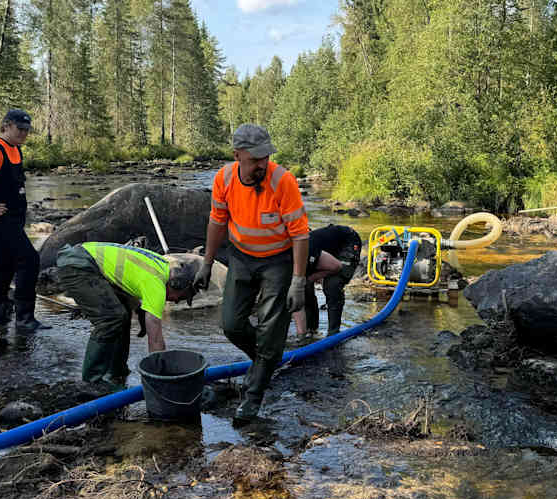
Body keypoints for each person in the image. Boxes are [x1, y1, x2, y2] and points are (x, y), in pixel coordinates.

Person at [194, 123, 310, 422]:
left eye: (265, 157)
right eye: (256, 159)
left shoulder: (282, 181)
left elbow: (299, 234)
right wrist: (206, 262)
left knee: (272, 331)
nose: (262, 163)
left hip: (278, 262)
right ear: (237, 155)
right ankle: (266, 361)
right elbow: (217, 221)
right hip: (242, 258)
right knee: (231, 323)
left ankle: (253, 395)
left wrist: (298, 280)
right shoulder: (224, 178)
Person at [55, 242, 200, 387]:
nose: (175, 301)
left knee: (123, 315)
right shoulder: (157, 285)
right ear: (176, 284)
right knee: (111, 318)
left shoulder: (161, 267)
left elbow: (129, 281)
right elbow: (155, 339)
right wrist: (160, 376)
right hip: (79, 265)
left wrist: (138, 309)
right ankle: (92, 381)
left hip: (85, 260)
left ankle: (117, 371)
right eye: (180, 297)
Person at [0, 109, 47, 342]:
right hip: (0, 219)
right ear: (5, 126)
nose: (24, 134)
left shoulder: (15, 149)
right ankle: (25, 319)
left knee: (3, 265)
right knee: (30, 260)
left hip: (13, 219)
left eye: (27, 130)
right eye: (19, 129)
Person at [293, 224, 363, 338]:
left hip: (348, 242)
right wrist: (301, 335)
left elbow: (337, 267)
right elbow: (297, 302)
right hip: (324, 251)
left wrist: (312, 278)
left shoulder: (306, 249)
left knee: (332, 284)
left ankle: (333, 334)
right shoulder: (284, 261)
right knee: (303, 287)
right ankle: (311, 330)